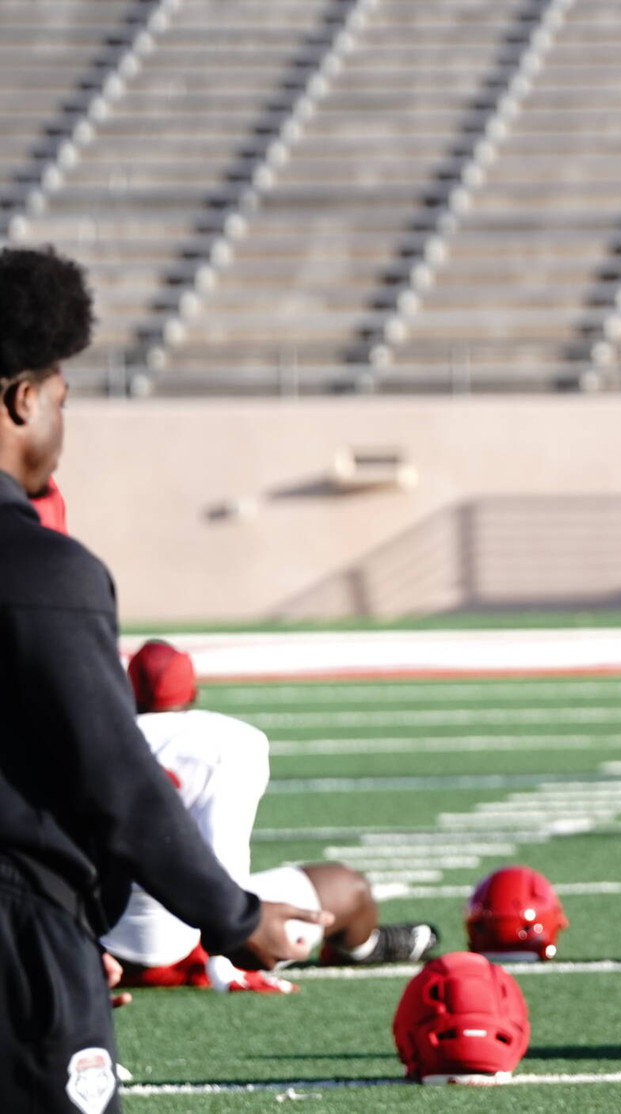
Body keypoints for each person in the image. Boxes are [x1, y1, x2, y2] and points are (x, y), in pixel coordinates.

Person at [0, 245, 322, 1111]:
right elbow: (114, 778)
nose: (61, 436)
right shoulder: (40, 572)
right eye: (60, 403)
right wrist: (234, 915)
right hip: (20, 947)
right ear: (21, 397)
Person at [100, 640, 440, 992]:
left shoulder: (92, 734)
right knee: (350, 888)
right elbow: (225, 860)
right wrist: (233, 932)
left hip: (95, 941)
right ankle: (362, 948)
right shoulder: (232, 740)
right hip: (206, 935)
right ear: (194, 694)